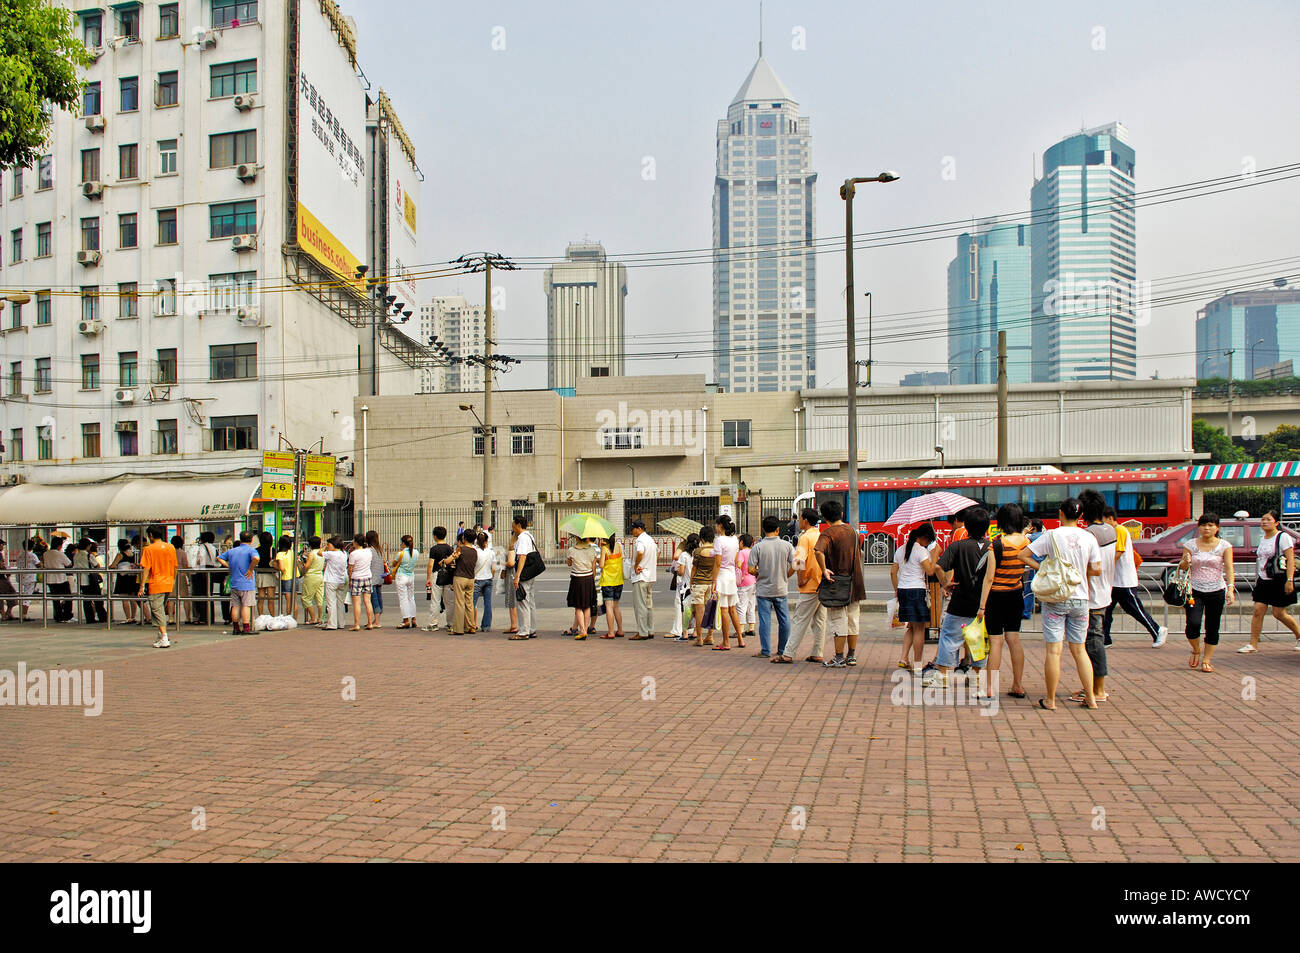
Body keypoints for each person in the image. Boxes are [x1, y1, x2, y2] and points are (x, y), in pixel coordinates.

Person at [1022, 498, 1099, 709]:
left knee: (1053, 651)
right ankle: (1091, 698)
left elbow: (1024, 555)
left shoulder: (1052, 535)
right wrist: (1080, 573)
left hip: (1055, 598)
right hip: (1081, 598)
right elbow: (1097, 568)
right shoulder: (1089, 537)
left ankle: (1051, 699)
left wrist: (1043, 570)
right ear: (1081, 516)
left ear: (1060, 513)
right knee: (1079, 650)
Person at [921, 507, 990, 688]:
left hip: (960, 600)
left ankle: (942, 675)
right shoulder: (993, 548)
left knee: (949, 637)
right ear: (987, 527)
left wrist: (945, 583)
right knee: (977, 639)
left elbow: (937, 567)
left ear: (966, 526)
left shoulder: (958, 546)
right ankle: (975, 676)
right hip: (983, 602)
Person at [975, 506, 1029, 698]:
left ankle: (989, 688)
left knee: (996, 641)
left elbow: (988, 579)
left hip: (996, 597)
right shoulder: (1026, 543)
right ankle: (1018, 685)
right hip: (1016, 595)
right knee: (1014, 640)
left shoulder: (996, 545)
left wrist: (982, 606)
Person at [1176, 513, 1234, 673]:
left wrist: (1230, 588)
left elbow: (1229, 567)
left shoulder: (1225, 545)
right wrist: (1185, 563)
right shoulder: (1190, 544)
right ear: (1198, 527)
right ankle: (1196, 649)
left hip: (1217, 589)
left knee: (1212, 626)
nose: (1207, 528)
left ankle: (1207, 660)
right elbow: (1183, 566)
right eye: (1203, 525)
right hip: (1194, 590)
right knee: (1193, 624)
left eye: (1210, 525)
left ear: (1217, 527)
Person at [1102, 507, 1166, 647]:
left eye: (1103, 520)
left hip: (1124, 581)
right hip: (1115, 581)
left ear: (1110, 518)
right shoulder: (1114, 531)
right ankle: (1105, 639)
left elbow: (1119, 552)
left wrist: (1104, 567)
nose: (1102, 524)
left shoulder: (1119, 530)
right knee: (1106, 611)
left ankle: (1157, 630)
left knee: (1135, 610)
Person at [814, 499, 866, 668]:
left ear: (824, 517)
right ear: (841, 514)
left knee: (838, 619)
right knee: (853, 620)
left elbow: (818, 551)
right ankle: (851, 656)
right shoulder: (853, 531)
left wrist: (824, 569)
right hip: (855, 583)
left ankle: (838, 657)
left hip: (837, 583)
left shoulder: (828, 533)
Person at [1242, 509, 1300, 652]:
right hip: (1263, 580)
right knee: (1257, 610)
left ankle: (1299, 636)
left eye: (1268, 519)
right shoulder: (1263, 539)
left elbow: (1290, 559)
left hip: (1279, 579)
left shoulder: (1283, 537)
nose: (1265, 522)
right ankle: (1253, 644)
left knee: (1279, 613)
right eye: (1263, 519)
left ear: (1276, 522)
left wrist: (1290, 579)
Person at [1076, 490, 1115, 702]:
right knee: (1093, 640)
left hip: (1091, 595)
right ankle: (1091, 686)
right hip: (1104, 591)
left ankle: (1097, 689)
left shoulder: (1089, 535)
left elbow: (1088, 565)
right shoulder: (1112, 530)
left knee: (1092, 641)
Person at [777, 508, 826, 665]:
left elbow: (799, 561)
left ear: (805, 520)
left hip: (809, 585)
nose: (798, 522)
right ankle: (817, 652)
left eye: (800, 519)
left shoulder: (805, 538)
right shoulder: (821, 535)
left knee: (800, 619)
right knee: (819, 620)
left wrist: (800, 579)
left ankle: (788, 653)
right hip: (822, 583)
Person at [892, 522, 938, 673]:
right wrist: (935, 554)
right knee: (919, 629)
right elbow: (930, 571)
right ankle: (918, 664)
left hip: (903, 590)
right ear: (924, 537)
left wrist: (896, 590)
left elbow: (893, 572)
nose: (928, 544)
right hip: (916, 591)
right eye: (928, 541)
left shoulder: (900, 549)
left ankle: (904, 658)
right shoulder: (921, 551)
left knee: (911, 626)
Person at [748, 515, 794, 660]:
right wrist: (786, 575)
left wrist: (758, 573)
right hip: (781, 588)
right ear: (778, 529)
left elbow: (750, 569)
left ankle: (766, 649)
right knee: (784, 619)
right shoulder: (787, 546)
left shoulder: (758, 547)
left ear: (763, 529)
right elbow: (796, 565)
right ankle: (782, 649)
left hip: (763, 589)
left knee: (765, 620)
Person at [138, 525, 177, 648]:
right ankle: (161, 635)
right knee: (159, 609)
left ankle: (164, 636)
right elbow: (175, 566)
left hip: (156, 583)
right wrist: (173, 579)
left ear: (150, 535)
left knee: (156, 609)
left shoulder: (149, 549)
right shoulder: (171, 547)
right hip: (168, 582)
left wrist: (142, 585)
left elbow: (146, 568)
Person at [218, 531, 259, 634]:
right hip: (247, 583)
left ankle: (236, 628)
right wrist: (250, 569)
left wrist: (228, 566)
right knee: (246, 605)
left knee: (235, 605)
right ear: (252, 539)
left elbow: (219, 558)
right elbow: (256, 558)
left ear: (240, 539)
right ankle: (246, 628)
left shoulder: (232, 551)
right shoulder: (251, 550)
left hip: (234, 582)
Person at [712, 515, 743, 650]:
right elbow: (735, 559)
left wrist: (713, 580)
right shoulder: (735, 540)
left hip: (722, 576)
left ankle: (726, 642)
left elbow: (718, 563)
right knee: (733, 609)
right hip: (731, 574)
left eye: (717, 524)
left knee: (724, 609)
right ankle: (740, 639)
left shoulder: (719, 540)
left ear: (720, 526)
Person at [689, 526, 720, 646]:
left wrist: (691, 582)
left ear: (701, 538)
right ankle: (710, 636)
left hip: (699, 583)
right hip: (711, 584)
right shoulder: (716, 551)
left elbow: (694, 569)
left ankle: (699, 638)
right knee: (710, 611)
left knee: (699, 611)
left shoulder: (698, 551)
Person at [628, 520, 657, 640]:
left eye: (633, 529)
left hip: (641, 576)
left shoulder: (640, 540)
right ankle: (650, 630)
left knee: (640, 605)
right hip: (650, 576)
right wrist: (649, 564)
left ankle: (642, 632)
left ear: (639, 528)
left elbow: (640, 552)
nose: (632, 531)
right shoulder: (650, 539)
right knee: (649, 605)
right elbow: (658, 552)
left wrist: (636, 565)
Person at [511, 516, 540, 639]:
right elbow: (510, 546)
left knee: (522, 601)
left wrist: (517, 576)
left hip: (524, 573)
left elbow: (522, 557)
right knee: (530, 600)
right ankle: (531, 628)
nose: (512, 527)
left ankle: (524, 631)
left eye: (513, 524)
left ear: (518, 525)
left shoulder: (523, 538)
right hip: (530, 572)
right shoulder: (528, 536)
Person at [444, 531, 478, 635]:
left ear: (464, 538)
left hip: (460, 577)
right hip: (471, 578)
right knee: (469, 604)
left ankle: (458, 629)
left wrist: (448, 559)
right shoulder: (474, 551)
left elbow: (448, 561)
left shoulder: (460, 549)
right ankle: (471, 626)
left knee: (459, 603)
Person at [564, 536, 597, 640]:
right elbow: (594, 567)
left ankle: (582, 630)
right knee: (587, 605)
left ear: (577, 539)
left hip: (577, 578)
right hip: (589, 578)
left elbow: (569, 564)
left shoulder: (571, 550)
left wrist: (569, 559)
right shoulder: (592, 550)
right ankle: (585, 630)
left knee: (578, 606)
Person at [425, 526, 455, 632]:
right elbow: (452, 562)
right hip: (448, 575)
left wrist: (428, 578)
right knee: (449, 601)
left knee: (435, 600)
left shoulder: (434, 549)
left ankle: (433, 623)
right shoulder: (449, 548)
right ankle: (450, 623)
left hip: (437, 574)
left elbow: (430, 564)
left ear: (434, 536)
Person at [670, 533, 699, 642]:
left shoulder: (684, 555)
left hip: (686, 586)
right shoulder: (698, 553)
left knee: (686, 609)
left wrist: (677, 570)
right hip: (697, 584)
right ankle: (696, 632)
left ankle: (685, 633)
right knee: (696, 609)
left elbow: (681, 572)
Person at [598, 533, 625, 639]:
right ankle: (620, 630)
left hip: (608, 581)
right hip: (618, 580)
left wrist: (598, 559)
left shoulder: (604, 549)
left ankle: (610, 632)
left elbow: (601, 565)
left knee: (609, 606)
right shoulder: (618, 546)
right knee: (616, 606)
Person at [347, 533, 377, 630]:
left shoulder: (353, 554)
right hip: (367, 577)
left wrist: (349, 579)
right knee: (368, 601)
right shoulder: (368, 552)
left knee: (357, 602)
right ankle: (370, 623)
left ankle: (356, 624)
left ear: (355, 542)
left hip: (356, 577)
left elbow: (350, 568)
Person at [43, 537, 74, 623]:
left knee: (55, 599)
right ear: (59, 545)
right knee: (68, 597)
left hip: (50, 579)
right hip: (61, 579)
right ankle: (67, 616)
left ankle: (58, 616)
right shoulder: (59, 554)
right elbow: (69, 564)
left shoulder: (46, 553)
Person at [320, 536, 349, 630]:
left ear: (333, 545)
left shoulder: (331, 554)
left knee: (331, 602)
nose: (328, 546)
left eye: (329, 544)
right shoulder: (343, 554)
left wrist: (324, 547)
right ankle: (341, 623)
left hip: (331, 580)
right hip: (340, 580)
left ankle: (332, 624)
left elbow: (319, 553)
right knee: (340, 602)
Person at [110, 538, 139, 624]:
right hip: (132, 577)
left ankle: (128, 617)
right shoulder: (132, 554)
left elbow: (113, 565)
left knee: (124, 599)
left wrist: (111, 566)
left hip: (123, 578)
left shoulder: (120, 555)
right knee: (132, 598)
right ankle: (133, 617)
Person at [394, 534, 419, 629]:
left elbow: (394, 563)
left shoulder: (401, 553)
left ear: (404, 543)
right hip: (411, 576)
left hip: (401, 576)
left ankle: (405, 620)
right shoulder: (416, 552)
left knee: (403, 599)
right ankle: (413, 619)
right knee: (411, 598)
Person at [736, 533, 757, 644]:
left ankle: (741, 629)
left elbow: (739, 564)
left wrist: (740, 574)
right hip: (753, 581)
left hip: (743, 582)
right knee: (751, 604)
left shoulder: (741, 552)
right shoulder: (753, 551)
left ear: (742, 542)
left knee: (741, 605)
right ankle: (751, 627)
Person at [473, 531, 495, 632]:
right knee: (488, 603)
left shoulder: (475, 552)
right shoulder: (491, 552)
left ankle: (471, 624)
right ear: (487, 540)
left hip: (477, 579)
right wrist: (491, 576)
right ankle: (486, 626)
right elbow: (493, 568)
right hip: (488, 579)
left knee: (472, 603)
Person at [300, 536, 325, 626]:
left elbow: (307, 566)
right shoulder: (322, 553)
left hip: (311, 576)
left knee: (306, 598)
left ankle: (313, 618)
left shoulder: (312, 554)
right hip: (320, 575)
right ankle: (320, 618)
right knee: (320, 598)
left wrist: (302, 565)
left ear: (310, 545)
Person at [1022, 519, 1044, 620]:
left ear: (1033, 527)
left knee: (1029, 590)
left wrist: (1025, 532)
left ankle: (1026, 612)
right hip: (1044, 566)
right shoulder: (1045, 536)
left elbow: (1021, 545)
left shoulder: (1030, 538)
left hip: (1033, 566)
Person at [366, 530, 387, 628]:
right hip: (379, 577)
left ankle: (377, 621)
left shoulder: (369, 551)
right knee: (379, 598)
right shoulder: (379, 550)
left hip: (372, 578)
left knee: (374, 599)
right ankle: (377, 619)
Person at [501, 527, 520, 635]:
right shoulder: (524, 546)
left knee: (512, 601)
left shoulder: (512, 548)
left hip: (512, 575)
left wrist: (503, 563)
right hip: (522, 575)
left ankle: (514, 625)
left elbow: (511, 563)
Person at [255, 531, 277, 616]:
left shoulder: (257, 550)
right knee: (271, 599)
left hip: (260, 574)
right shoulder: (273, 550)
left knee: (261, 598)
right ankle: (272, 616)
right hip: (270, 574)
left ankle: (261, 616)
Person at [274, 536, 296, 617]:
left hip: (286, 578)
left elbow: (282, 568)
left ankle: (288, 618)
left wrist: (275, 566)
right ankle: (294, 619)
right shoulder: (292, 552)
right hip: (295, 577)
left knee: (288, 601)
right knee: (294, 601)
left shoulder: (280, 554)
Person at [171, 535, 190, 624]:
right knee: (185, 597)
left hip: (171, 575)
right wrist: (189, 576)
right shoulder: (182, 553)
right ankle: (187, 617)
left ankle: (171, 618)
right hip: (181, 576)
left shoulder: (169, 552)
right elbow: (185, 565)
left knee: (171, 598)